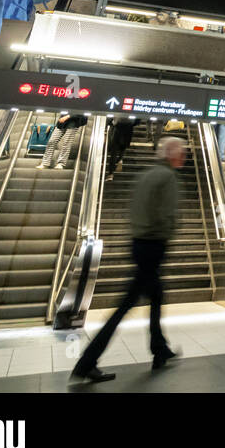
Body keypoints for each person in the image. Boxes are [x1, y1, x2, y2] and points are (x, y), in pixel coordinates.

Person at [71, 137, 184, 383]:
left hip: (139, 243)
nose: (184, 157)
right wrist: (170, 233)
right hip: (153, 245)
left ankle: (159, 348)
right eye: (182, 153)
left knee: (156, 295)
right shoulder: (167, 178)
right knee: (125, 306)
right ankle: (86, 362)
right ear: (172, 155)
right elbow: (166, 215)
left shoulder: (147, 175)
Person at [105, 115, 138, 181]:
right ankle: (120, 159)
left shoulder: (119, 106)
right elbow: (137, 120)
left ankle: (110, 174)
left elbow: (110, 116)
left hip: (117, 128)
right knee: (123, 147)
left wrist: (108, 124)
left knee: (113, 152)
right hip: (129, 129)